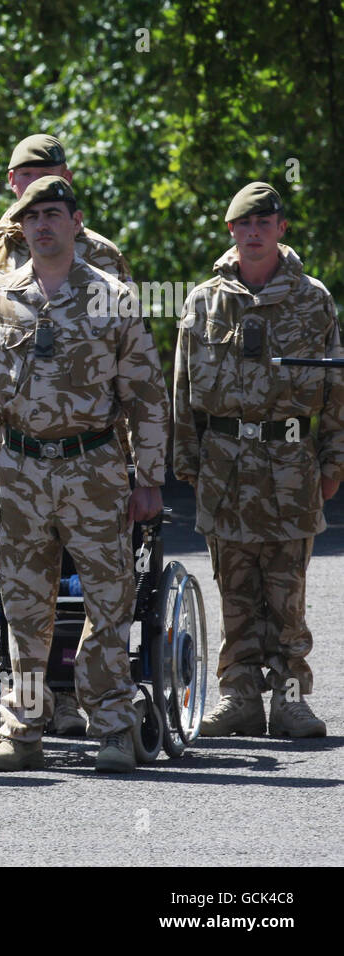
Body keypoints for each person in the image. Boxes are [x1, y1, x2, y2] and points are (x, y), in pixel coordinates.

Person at [0, 176, 169, 773]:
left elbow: (146, 394)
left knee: (109, 599)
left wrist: (149, 477)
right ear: (22, 227)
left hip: (94, 465)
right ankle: (24, 729)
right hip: (17, 468)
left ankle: (114, 726)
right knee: (25, 606)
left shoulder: (113, 298)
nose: (42, 225)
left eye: (53, 214)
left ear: (77, 222)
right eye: (32, 216)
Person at [174, 182, 343, 739]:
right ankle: (240, 698)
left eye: (263, 224)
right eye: (243, 225)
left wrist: (333, 460)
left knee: (287, 593)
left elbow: (336, 387)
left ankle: (291, 701)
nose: (253, 233)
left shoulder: (312, 298)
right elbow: (182, 390)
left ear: (280, 229)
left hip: (291, 463)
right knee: (235, 591)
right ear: (231, 231)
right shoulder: (203, 300)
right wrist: (186, 462)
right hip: (223, 464)